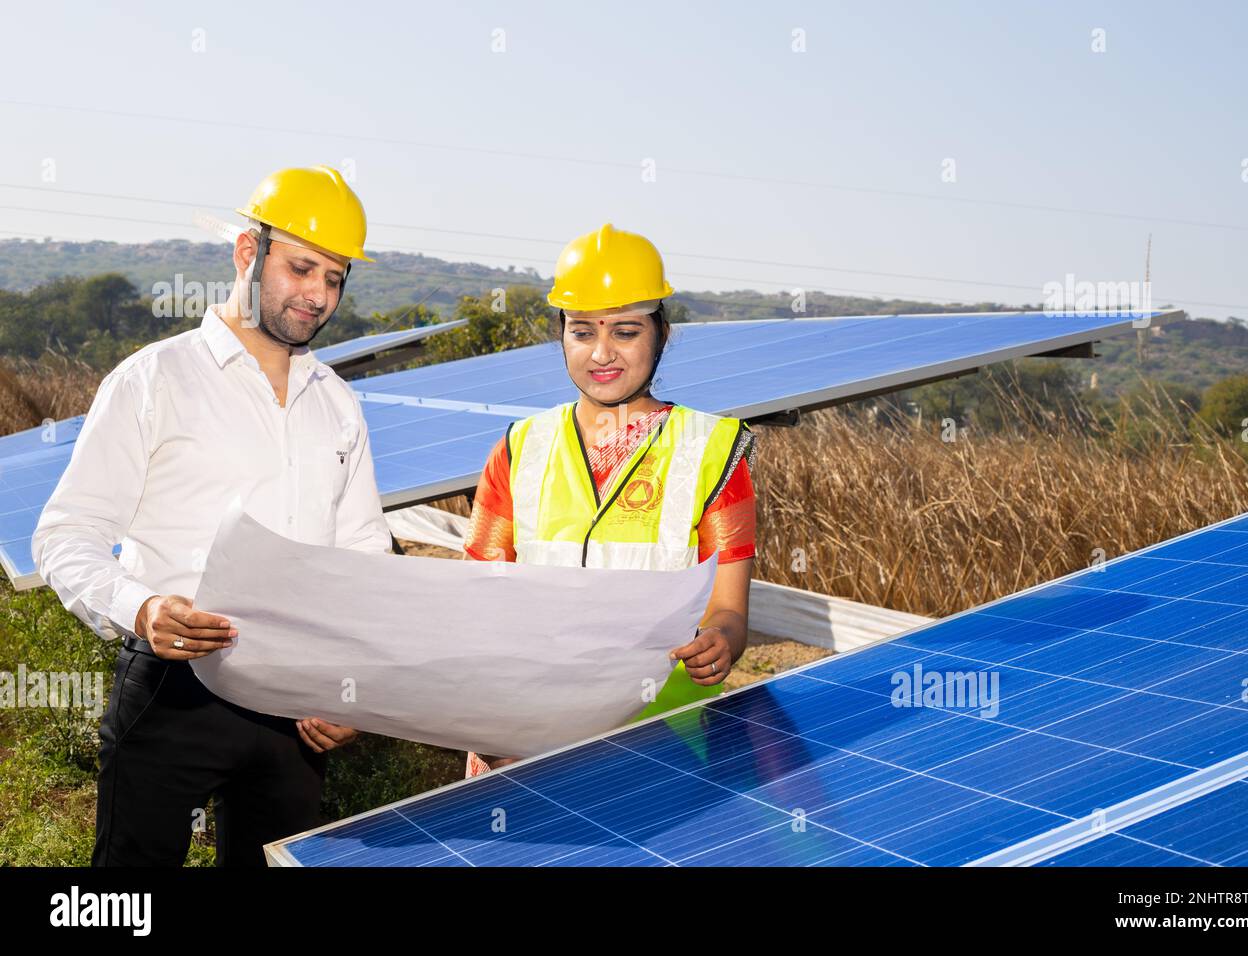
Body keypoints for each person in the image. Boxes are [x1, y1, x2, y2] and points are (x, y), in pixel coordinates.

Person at [32, 165, 392, 866]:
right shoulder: (153, 380)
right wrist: (141, 608)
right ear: (246, 254)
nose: (318, 295)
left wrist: (355, 687)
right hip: (175, 691)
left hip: (298, 703)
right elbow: (65, 534)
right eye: (301, 268)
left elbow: (364, 562)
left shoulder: (338, 404)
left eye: (335, 277)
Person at [461, 223, 757, 776]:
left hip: (663, 747)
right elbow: (477, 602)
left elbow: (730, 611)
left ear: (661, 334)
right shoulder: (517, 448)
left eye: (624, 331)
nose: (602, 353)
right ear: (561, 335)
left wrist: (720, 641)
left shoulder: (714, 453)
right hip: (524, 741)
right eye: (581, 331)